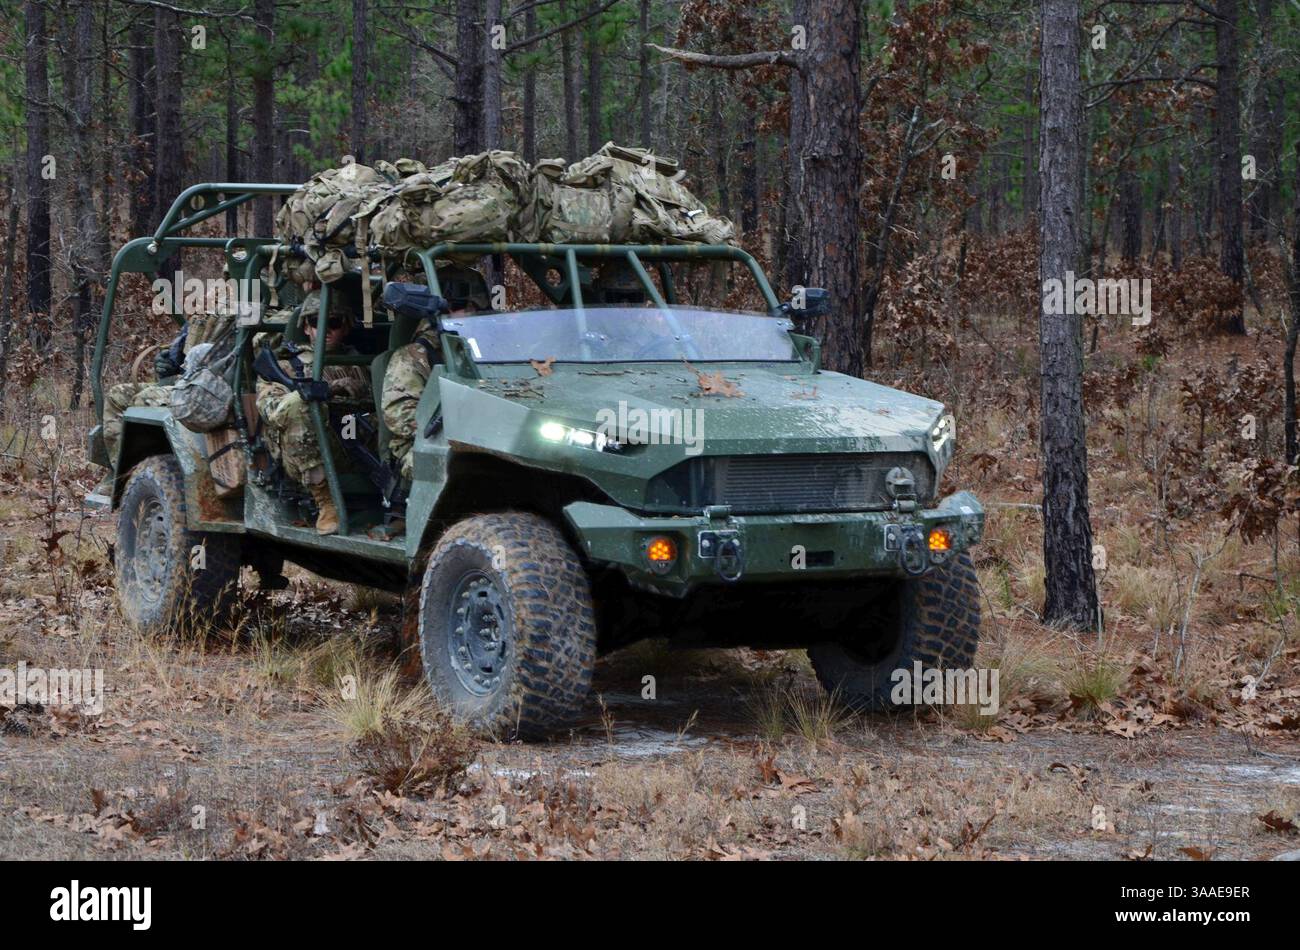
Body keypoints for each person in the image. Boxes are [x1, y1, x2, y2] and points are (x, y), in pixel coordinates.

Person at [257, 288, 371, 534]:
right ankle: (326, 502)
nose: (325, 329)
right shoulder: (287, 365)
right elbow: (272, 412)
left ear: (346, 327)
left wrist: (360, 391)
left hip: (354, 443)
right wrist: (324, 391)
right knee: (298, 406)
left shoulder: (362, 363)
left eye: (334, 322)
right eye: (315, 322)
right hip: (305, 453)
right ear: (306, 327)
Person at [382, 264, 489, 481]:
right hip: (426, 444)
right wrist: (458, 426)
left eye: (471, 306)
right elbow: (399, 414)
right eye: (457, 305)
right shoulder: (414, 356)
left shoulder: (492, 349)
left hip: (489, 440)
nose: (465, 312)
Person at [102, 326, 188, 466]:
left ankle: (145, 470)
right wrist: (168, 363)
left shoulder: (232, 318)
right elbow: (180, 353)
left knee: (145, 399)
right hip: (185, 381)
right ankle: (123, 468)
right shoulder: (203, 317)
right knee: (118, 395)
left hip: (211, 388)